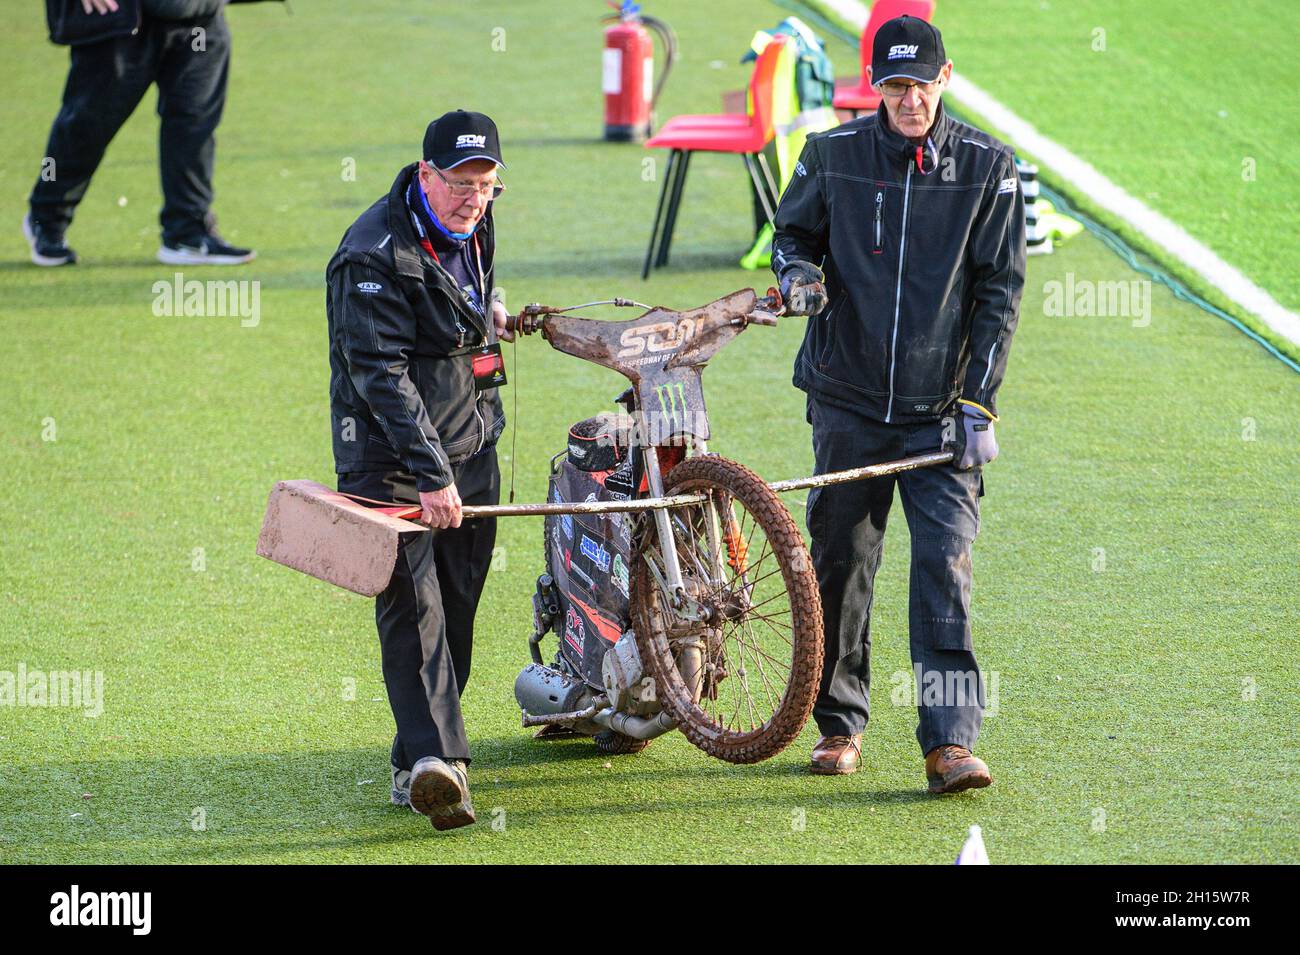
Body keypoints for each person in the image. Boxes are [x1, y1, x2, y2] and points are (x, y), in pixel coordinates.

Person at [772, 15, 1025, 793]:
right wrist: (796, 275)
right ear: (876, 89)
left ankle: (949, 743)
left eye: (921, 84)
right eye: (894, 86)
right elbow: (791, 234)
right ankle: (839, 725)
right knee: (841, 562)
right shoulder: (831, 155)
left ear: (946, 78)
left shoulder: (989, 167)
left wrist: (978, 401)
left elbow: (999, 290)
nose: (909, 99)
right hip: (845, 401)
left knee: (944, 563)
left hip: (941, 411)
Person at [327, 110, 512, 830]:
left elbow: (463, 305)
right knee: (415, 605)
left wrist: (491, 311)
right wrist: (431, 473)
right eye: (459, 183)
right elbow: (380, 375)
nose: (473, 198)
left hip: (471, 443)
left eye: (486, 185)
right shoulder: (371, 254)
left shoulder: (476, 221)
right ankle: (441, 766)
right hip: (392, 462)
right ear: (424, 174)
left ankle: (415, 758)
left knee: (459, 600)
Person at [26, 0, 257, 266]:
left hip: (200, 17)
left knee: (195, 126)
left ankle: (187, 232)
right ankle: (46, 219)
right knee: (85, 127)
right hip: (121, 15)